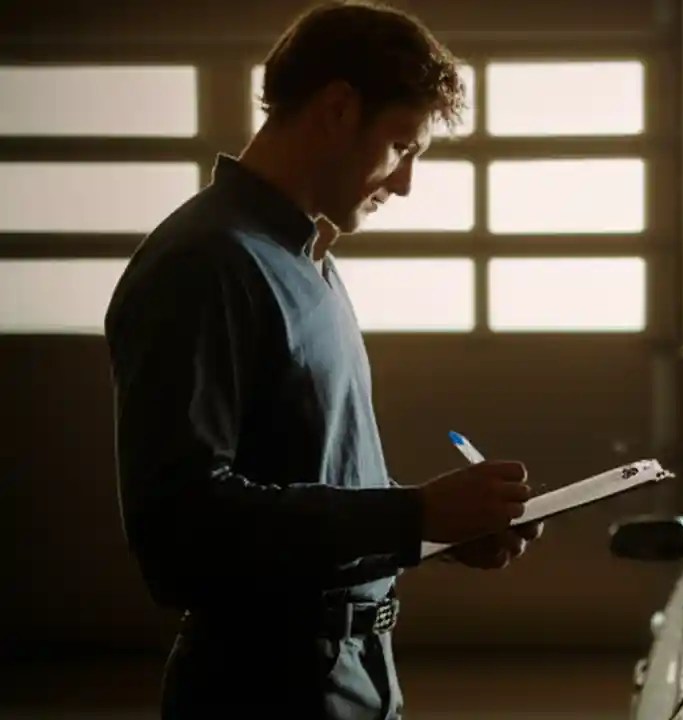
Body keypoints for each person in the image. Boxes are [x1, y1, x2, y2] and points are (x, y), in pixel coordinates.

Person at [102, 2, 541, 718]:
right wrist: (410, 515)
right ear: (338, 109)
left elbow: (307, 483)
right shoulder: (204, 264)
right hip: (264, 693)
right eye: (403, 146)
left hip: (355, 680)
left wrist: (437, 525)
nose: (404, 184)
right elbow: (179, 532)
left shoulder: (306, 262)